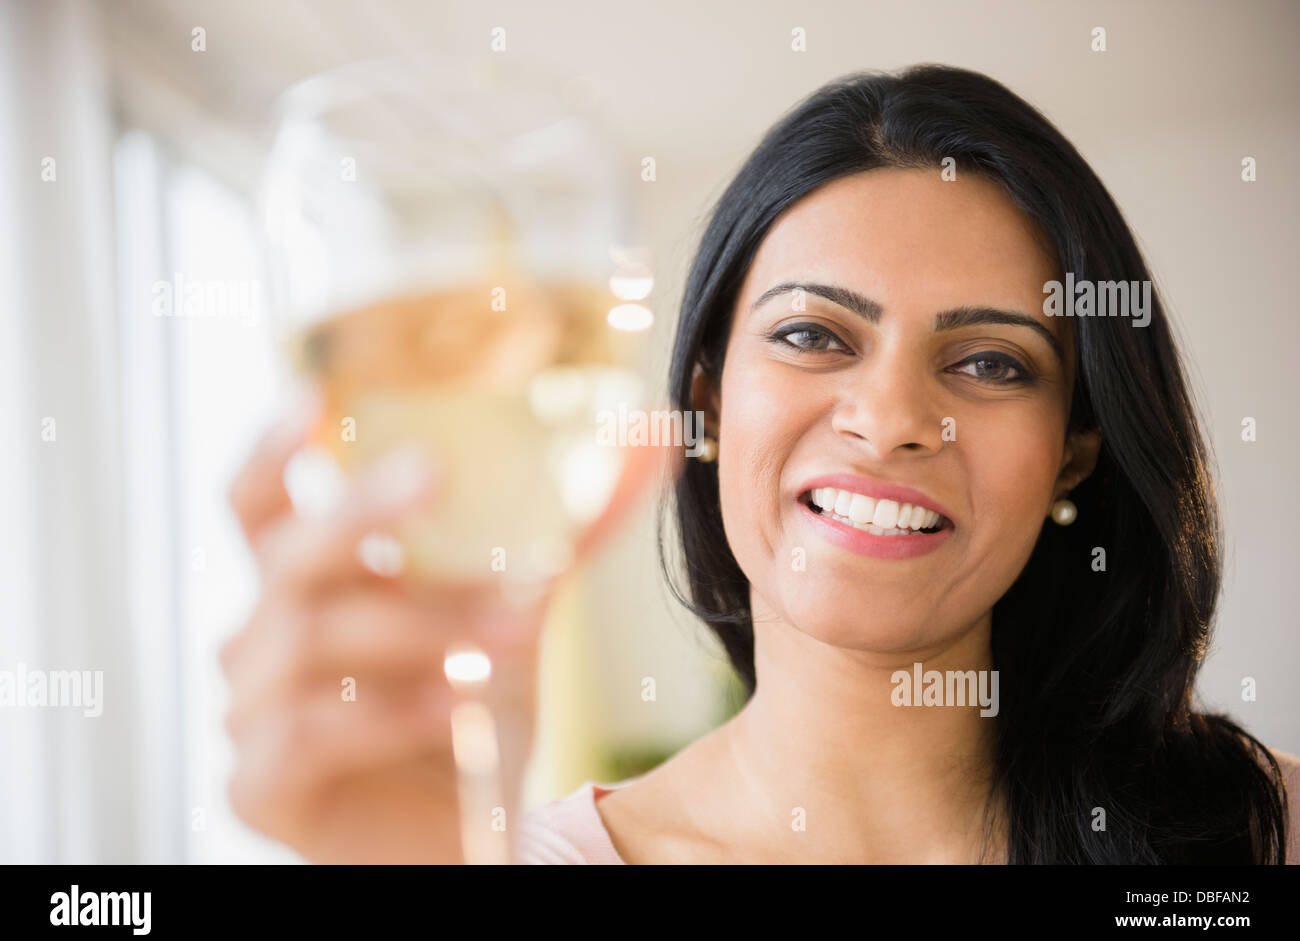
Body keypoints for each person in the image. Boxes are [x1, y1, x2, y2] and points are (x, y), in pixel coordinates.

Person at [222, 64, 1298, 864]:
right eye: (812, 335)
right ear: (706, 398)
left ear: (1074, 453)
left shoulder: (1260, 834)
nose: (888, 422)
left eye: (986, 360)